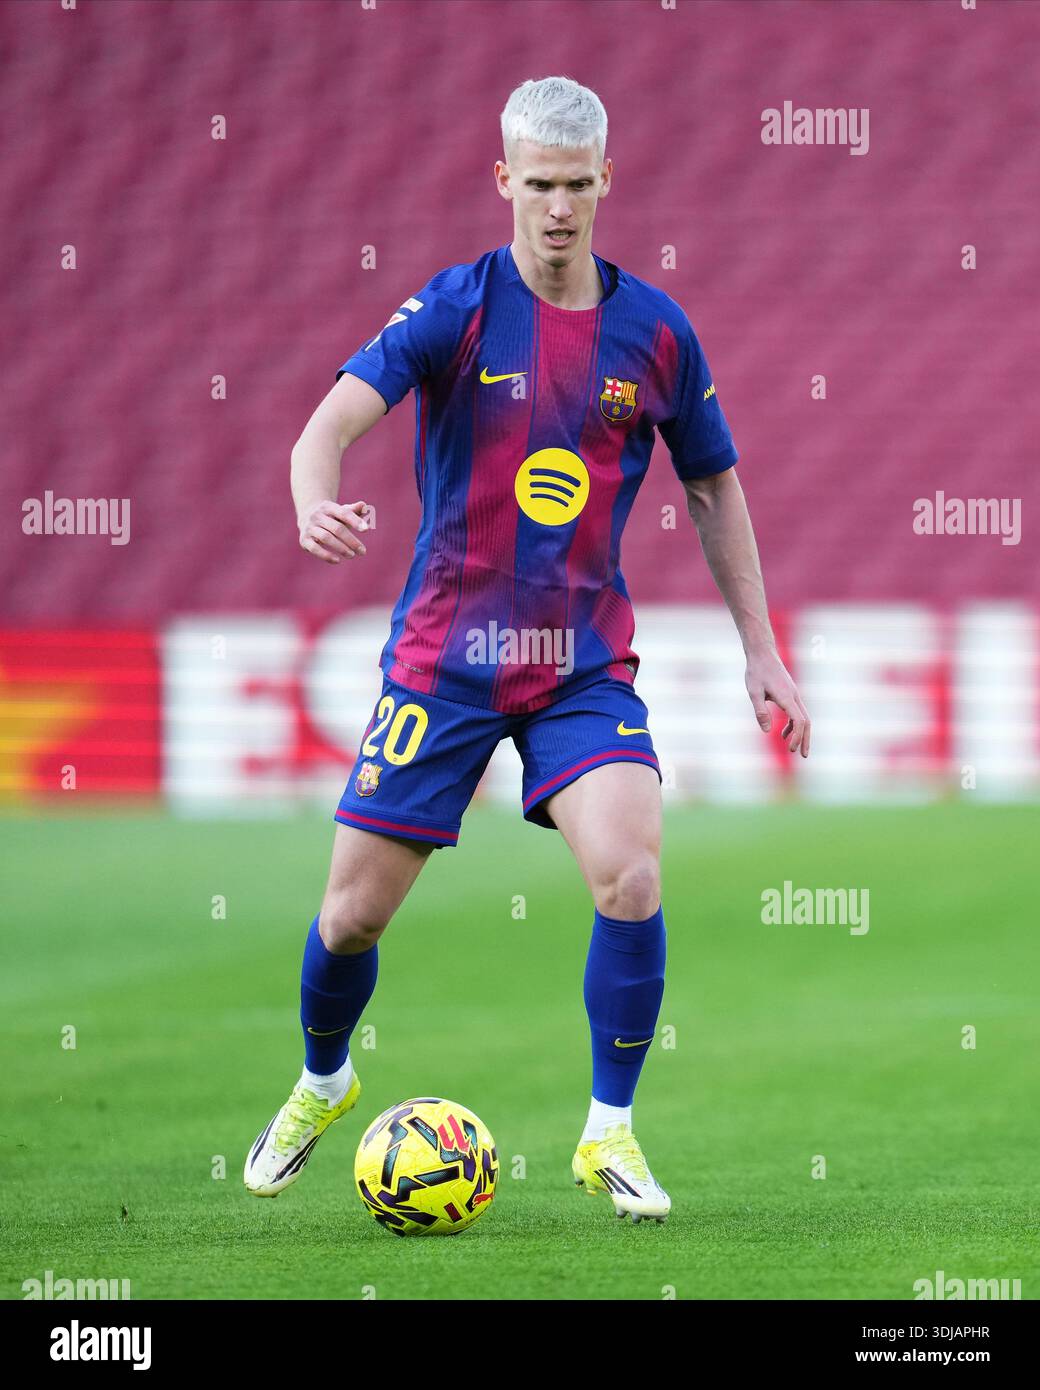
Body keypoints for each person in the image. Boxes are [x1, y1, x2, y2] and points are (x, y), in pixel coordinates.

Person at [245, 75, 810, 1223]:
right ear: (504, 181)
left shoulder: (652, 331)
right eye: (537, 185)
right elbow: (331, 422)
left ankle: (607, 1133)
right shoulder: (454, 308)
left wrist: (762, 646)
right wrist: (313, 499)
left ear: (608, 180)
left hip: (579, 664)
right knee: (351, 915)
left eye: (576, 185)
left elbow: (711, 482)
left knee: (631, 872)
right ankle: (321, 1081)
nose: (557, 207)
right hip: (443, 659)